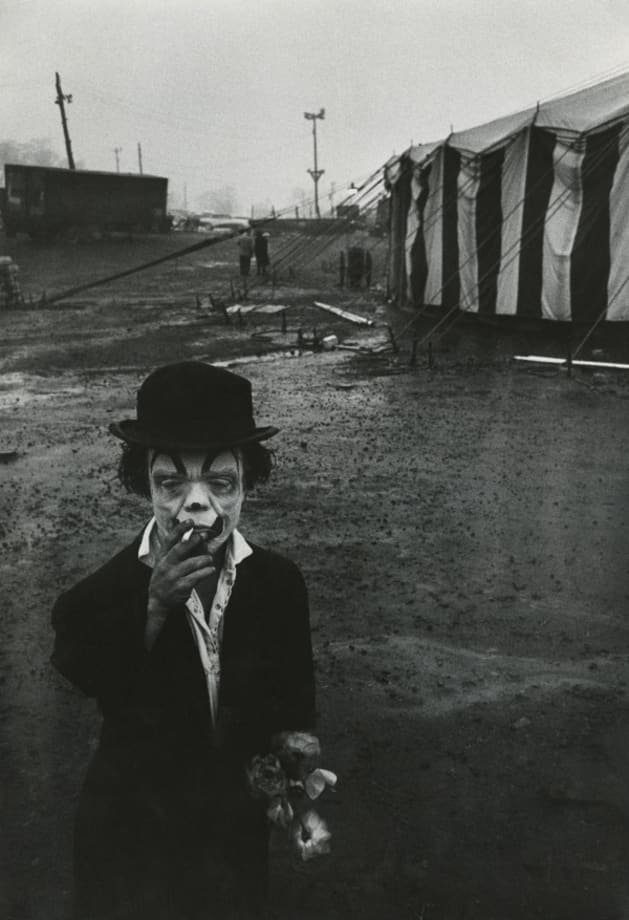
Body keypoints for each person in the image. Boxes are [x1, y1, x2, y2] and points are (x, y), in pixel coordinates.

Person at [51, 361, 316, 920]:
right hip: (132, 835)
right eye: (171, 482)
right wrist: (151, 605)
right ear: (144, 482)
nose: (196, 504)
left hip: (233, 832)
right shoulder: (98, 595)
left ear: (248, 483)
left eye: (219, 482)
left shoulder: (278, 583)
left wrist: (292, 780)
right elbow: (85, 669)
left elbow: (293, 696)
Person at [237, 229, 254, 294]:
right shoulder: (250, 239)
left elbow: (237, 243)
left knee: (242, 263)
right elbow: (251, 247)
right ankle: (246, 272)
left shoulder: (241, 238)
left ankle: (242, 272)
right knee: (247, 263)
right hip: (247, 253)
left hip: (241, 253)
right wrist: (252, 253)